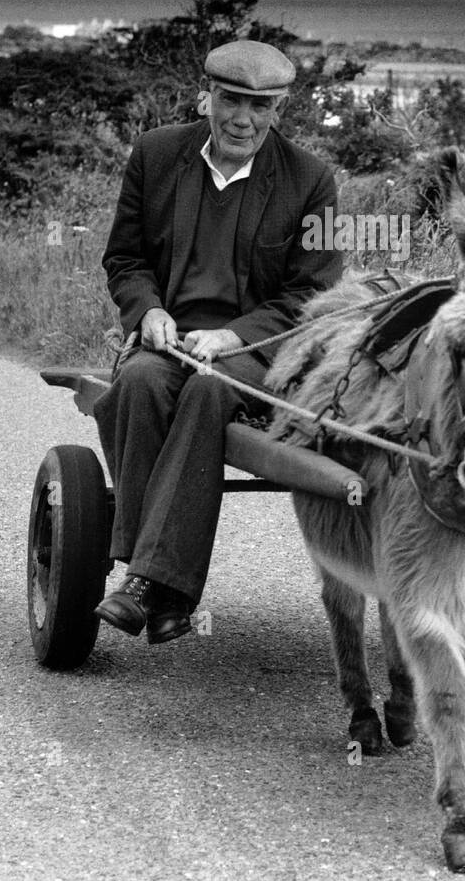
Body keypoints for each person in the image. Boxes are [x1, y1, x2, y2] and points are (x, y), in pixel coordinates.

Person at [93, 39, 342, 645]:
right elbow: (125, 258)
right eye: (232, 100)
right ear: (206, 96)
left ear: (279, 110)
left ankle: (151, 585)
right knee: (141, 381)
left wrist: (233, 335)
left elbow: (311, 296)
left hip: (256, 356)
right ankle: (160, 585)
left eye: (261, 107)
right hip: (166, 342)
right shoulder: (156, 154)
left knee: (208, 394)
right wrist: (148, 311)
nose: (243, 119)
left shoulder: (311, 180)